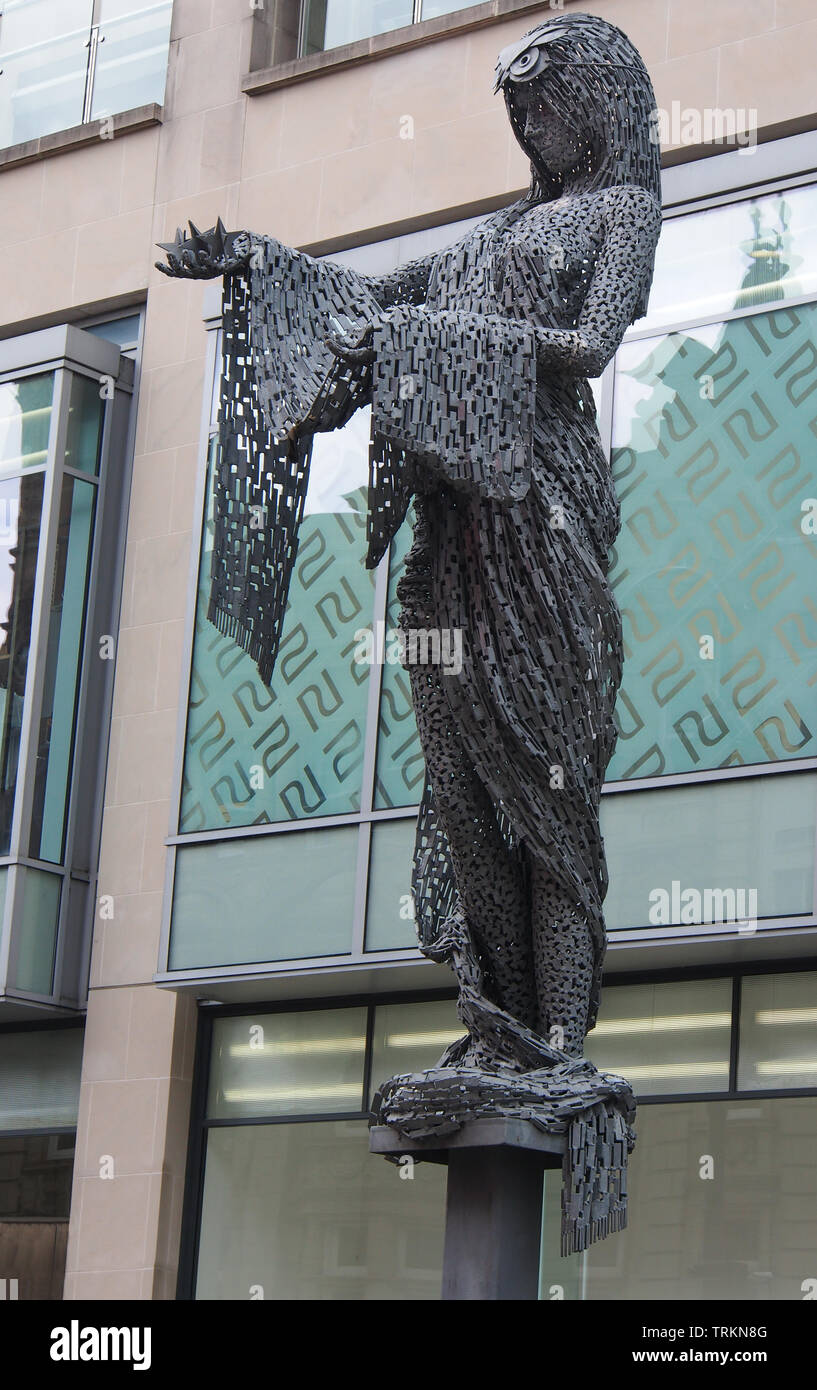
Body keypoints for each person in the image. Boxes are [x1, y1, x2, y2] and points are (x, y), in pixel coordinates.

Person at [160, 13, 663, 1250]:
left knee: (545, 803)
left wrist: (422, 344)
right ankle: (495, 1019)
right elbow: (367, 299)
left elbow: (586, 349)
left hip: (540, 541)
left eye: (543, 112)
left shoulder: (618, 217)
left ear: (593, 106)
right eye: (514, 118)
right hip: (449, 555)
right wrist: (258, 266)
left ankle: (558, 1045)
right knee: (459, 790)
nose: (527, 134)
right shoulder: (490, 234)